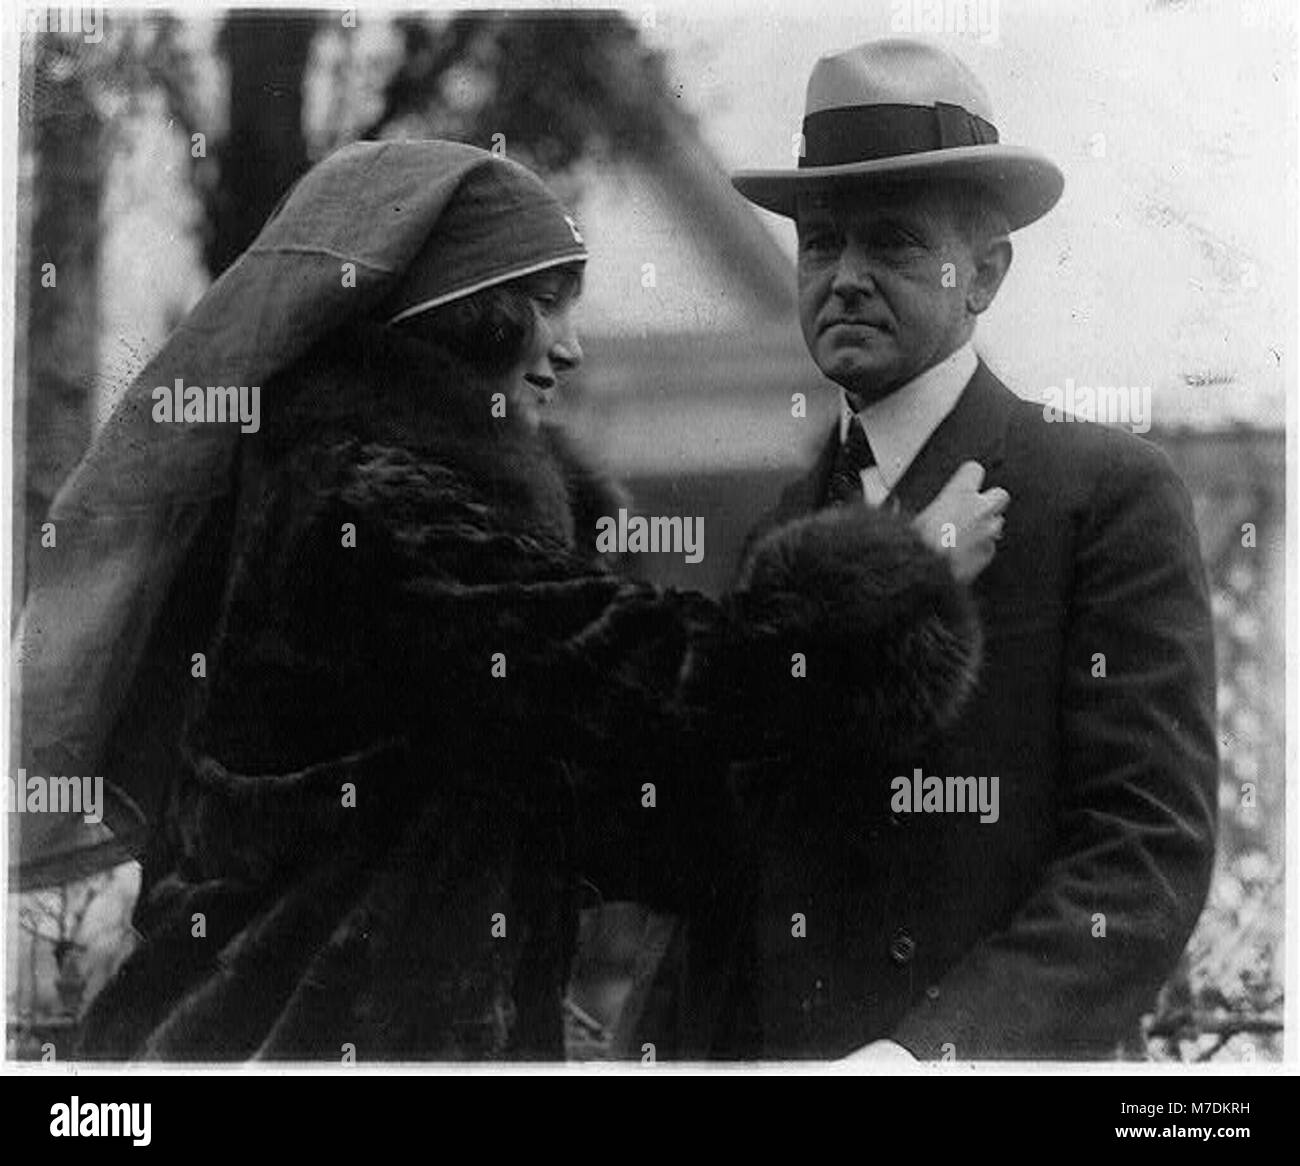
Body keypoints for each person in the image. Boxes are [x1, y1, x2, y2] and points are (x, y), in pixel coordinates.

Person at [15, 140, 989, 1060]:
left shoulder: (326, 480)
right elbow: (655, 674)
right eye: (547, 301)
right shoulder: (372, 508)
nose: (569, 348)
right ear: (457, 310)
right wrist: (904, 571)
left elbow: (590, 782)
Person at [726, 38, 1218, 1059]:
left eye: (894, 244)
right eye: (822, 244)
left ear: (984, 271)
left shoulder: (1102, 495)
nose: (846, 278)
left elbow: (1142, 850)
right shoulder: (782, 529)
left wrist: (932, 1056)